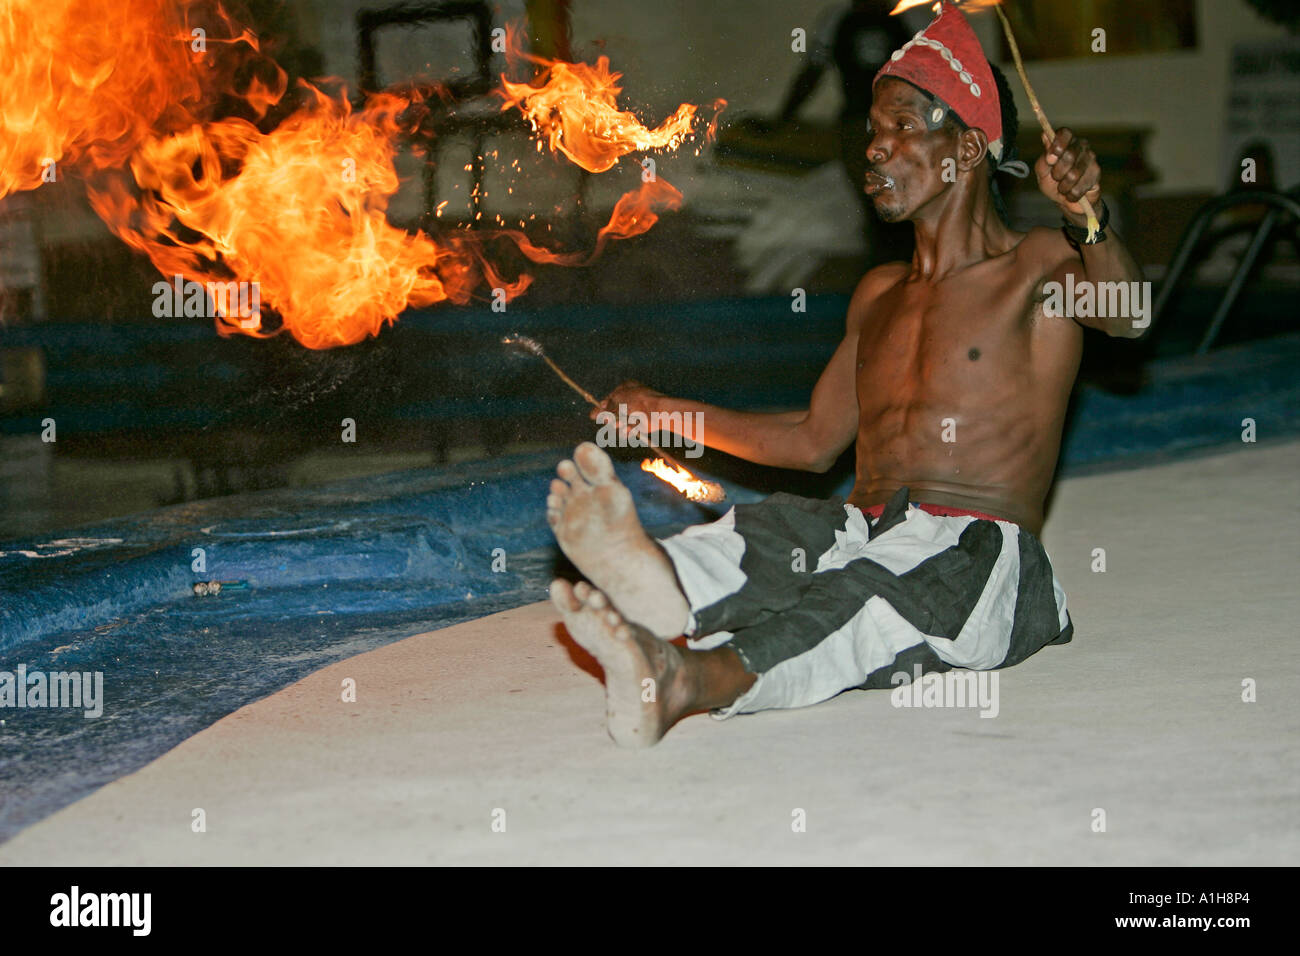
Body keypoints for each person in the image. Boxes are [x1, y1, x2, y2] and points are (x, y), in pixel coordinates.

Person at [546, 1, 1144, 747]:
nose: (874, 149)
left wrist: (1089, 217)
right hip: (865, 527)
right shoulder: (880, 296)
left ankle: (689, 679)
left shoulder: (1038, 266)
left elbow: (1131, 316)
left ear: (965, 151)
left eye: (902, 127)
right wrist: (667, 413)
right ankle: (668, 586)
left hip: (978, 558)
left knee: (865, 596)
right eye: (871, 130)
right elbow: (810, 441)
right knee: (779, 527)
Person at [769, 0, 917, 265]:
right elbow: (813, 70)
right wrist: (785, 116)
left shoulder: (904, 19)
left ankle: (903, 266)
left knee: (900, 200)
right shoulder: (838, 19)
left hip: (897, 125)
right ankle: (883, 267)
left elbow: (924, 73)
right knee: (875, 200)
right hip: (858, 122)